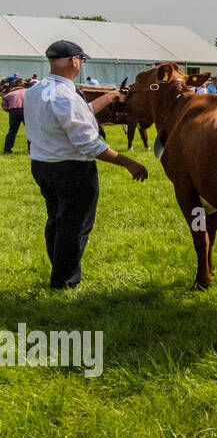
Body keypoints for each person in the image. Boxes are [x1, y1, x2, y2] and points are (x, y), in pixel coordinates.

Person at [25, 41, 148, 288]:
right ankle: (65, 281)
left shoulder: (37, 90)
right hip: (71, 168)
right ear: (74, 60)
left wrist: (111, 96)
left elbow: (81, 112)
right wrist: (128, 163)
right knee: (75, 226)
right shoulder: (66, 96)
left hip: (43, 164)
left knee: (57, 220)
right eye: (82, 60)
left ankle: (59, 268)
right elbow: (90, 145)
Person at [3, 80, 27, 154]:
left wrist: (9, 110)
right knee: (30, 131)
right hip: (26, 110)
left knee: (12, 131)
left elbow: (4, 107)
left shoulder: (9, 94)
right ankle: (31, 150)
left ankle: (7, 149)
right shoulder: (28, 91)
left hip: (14, 111)